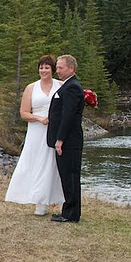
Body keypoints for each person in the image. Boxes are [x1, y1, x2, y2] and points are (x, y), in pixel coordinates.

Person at [5, 55, 65, 215]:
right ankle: (38, 200)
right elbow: (24, 113)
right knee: (35, 162)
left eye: (46, 67)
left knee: (52, 163)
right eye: (41, 67)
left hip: (55, 129)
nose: (43, 70)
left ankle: (53, 199)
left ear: (52, 69)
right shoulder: (31, 87)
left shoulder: (60, 85)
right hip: (36, 130)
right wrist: (39, 119)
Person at [47, 54, 85, 223]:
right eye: (58, 67)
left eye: (61, 68)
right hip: (68, 140)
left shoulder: (72, 87)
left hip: (70, 141)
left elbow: (68, 115)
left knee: (70, 175)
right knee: (67, 175)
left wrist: (60, 139)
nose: (58, 71)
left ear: (71, 68)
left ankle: (70, 213)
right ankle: (70, 211)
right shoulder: (68, 85)